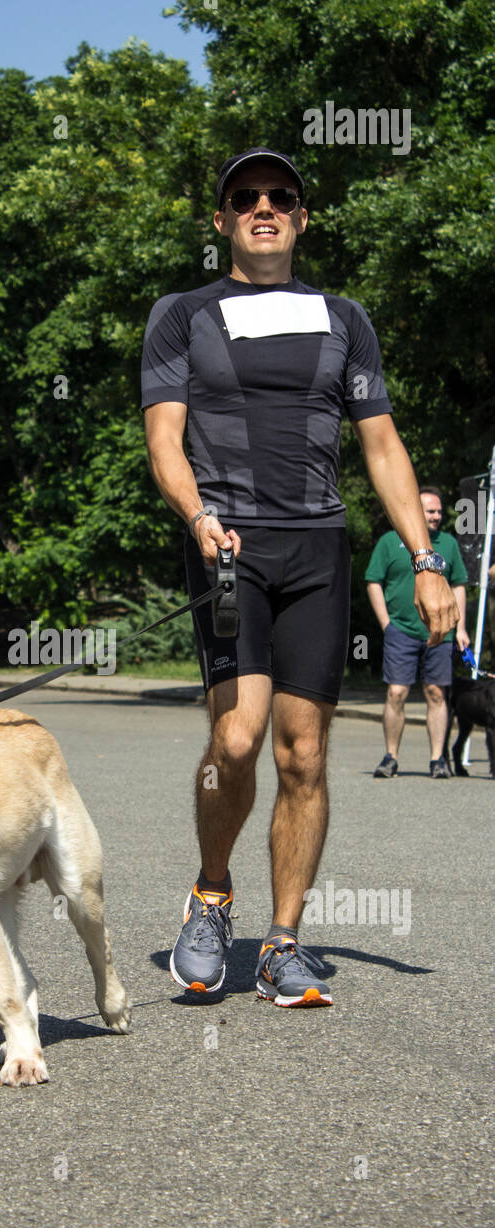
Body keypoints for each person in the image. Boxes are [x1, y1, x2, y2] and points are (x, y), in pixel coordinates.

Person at [141, 147, 458, 1008]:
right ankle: (211, 897)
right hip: (228, 546)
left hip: (317, 545)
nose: (264, 206)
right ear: (223, 222)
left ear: (303, 218)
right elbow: (165, 440)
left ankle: (282, 944)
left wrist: (425, 560)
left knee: (306, 754)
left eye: (281, 196)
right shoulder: (182, 314)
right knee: (237, 741)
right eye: (246, 198)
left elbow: (381, 444)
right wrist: (197, 515)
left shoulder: (344, 317)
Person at [366, 486, 469, 777]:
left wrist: (459, 627)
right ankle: (390, 757)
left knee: (436, 693)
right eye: (430, 511)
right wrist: (386, 623)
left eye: (438, 511)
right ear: (416, 511)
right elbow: (373, 580)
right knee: (396, 692)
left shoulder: (448, 544)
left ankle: (438, 760)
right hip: (401, 630)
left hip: (440, 632)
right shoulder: (390, 541)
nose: (436, 516)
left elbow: (459, 584)